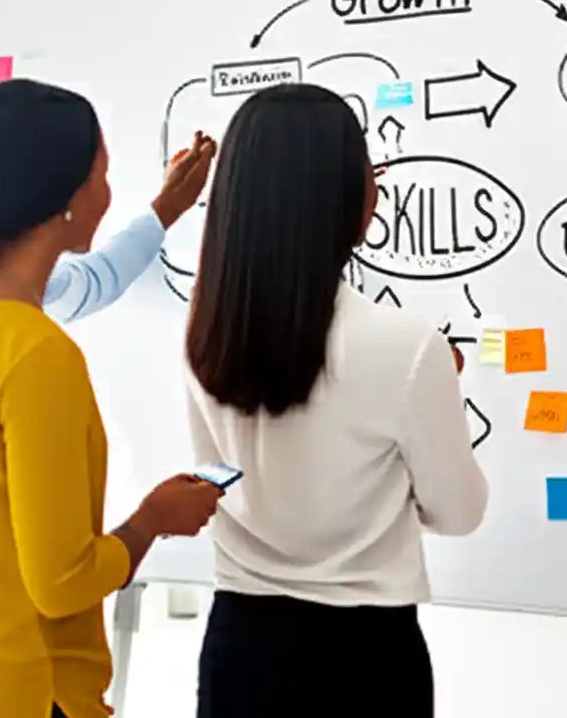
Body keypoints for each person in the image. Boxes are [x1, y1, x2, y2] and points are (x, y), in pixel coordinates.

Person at [0, 78, 224, 718]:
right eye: (103, 173)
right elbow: (62, 582)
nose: (108, 191)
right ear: (70, 199)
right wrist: (154, 518)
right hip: (24, 693)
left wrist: (163, 210)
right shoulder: (37, 355)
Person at [184, 84, 487, 718]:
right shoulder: (405, 346)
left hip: (238, 642)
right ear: (345, 194)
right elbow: (459, 512)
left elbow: (217, 477)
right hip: (366, 655)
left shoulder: (204, 332)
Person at [0, 92, 216, 330]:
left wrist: (166, 208)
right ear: (61, 194)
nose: (107, 195)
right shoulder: (31, 350)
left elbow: (93, 280)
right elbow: (95, 282)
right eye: (100, 177)